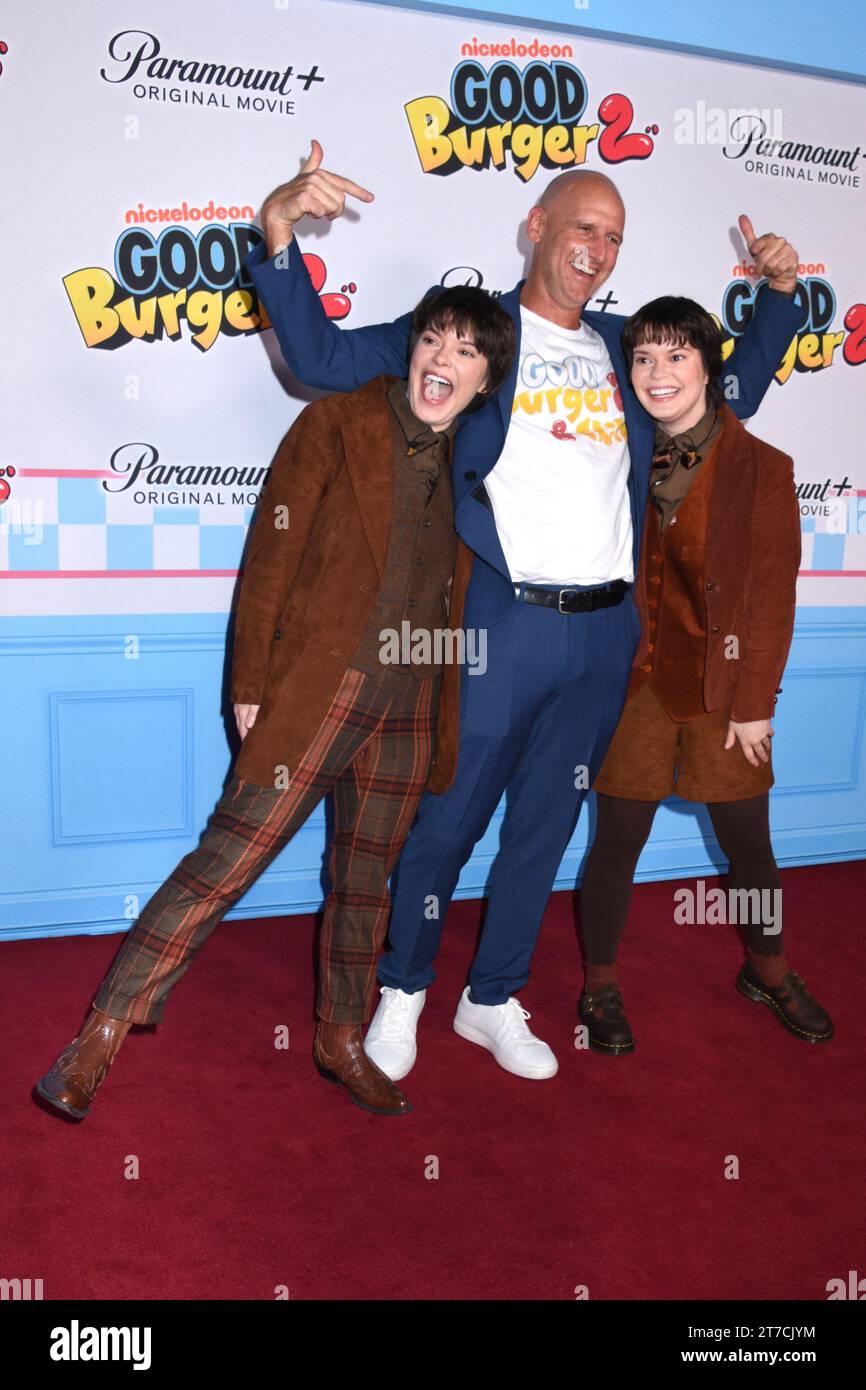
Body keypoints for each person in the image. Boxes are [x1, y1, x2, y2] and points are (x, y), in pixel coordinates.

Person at [237, 140, 804, 1085]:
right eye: (583, 225)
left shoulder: (628, 351)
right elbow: (324, 359)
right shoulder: (470, 331)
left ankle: (492, 997)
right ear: (536, 227)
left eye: (615, 237)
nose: (599, 248)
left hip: (606, 630)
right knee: (449, 820)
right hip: (501, 619)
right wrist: (280, 234)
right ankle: (406, 990)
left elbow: (728, 392)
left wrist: (780, 301)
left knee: (543, 829)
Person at [35, 285, 515, 1121]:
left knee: (365, 884)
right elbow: (270, 559)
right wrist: (252, 684)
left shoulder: (474, 463)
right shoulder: (338, 426)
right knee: (226, 862)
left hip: (410, 706)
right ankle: (100, 1036)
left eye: (466, 351)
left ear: (485, 376)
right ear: (410, 349)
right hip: (322, 688)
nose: (443, 360)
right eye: (433, 340)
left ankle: (339, 1039)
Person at [577, 296, 832, 1052]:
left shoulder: (762, 468)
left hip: (725, 693)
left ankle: (770, 970)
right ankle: (599, 986)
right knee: (616, 839)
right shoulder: (613, 450)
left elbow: (771, 596)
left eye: (677, 355)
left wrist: (756, 704)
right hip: (635, 685)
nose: (658, 372)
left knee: (749, 844)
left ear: (710, 367)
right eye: (644, 358)